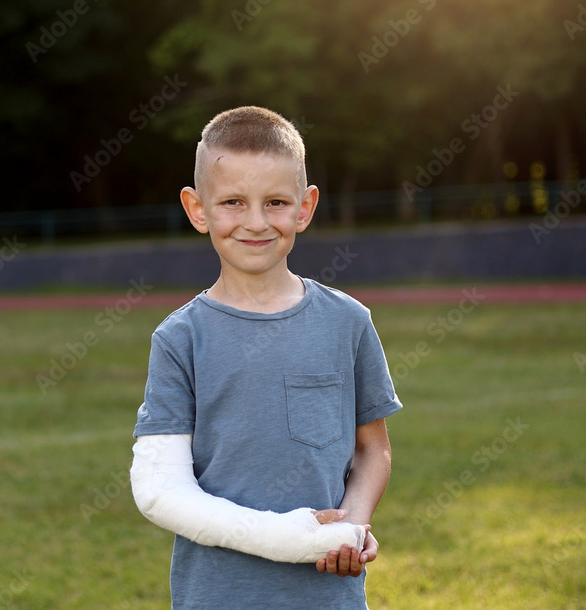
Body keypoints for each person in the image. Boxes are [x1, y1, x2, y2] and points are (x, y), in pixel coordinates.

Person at [130, 106, 402, 608]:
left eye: (276, 202)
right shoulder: (179, 339)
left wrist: (352, 523)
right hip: (215, 594)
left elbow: (373, 449)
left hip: (327, 593)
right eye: (232, 202)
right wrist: (285, 538)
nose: (255, 222)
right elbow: (160, 489)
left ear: (305, 206)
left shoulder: (349, 322)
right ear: (196, 209)